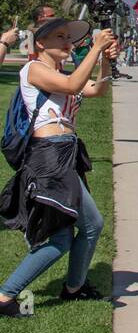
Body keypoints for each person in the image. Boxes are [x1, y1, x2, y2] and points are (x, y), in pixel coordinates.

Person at [0, 18, 117, 316]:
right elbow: (72, 85)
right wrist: (96, 48)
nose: (68, 43)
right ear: (40, 43)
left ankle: (66, 289)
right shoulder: (34, 69)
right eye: (60, 37)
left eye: (69, 37)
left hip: (65, 155)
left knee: (65, 236)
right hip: (49, 159)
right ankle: (20, 294)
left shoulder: (61, 71)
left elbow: (97, 90)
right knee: (91, 225)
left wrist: (104, 59)